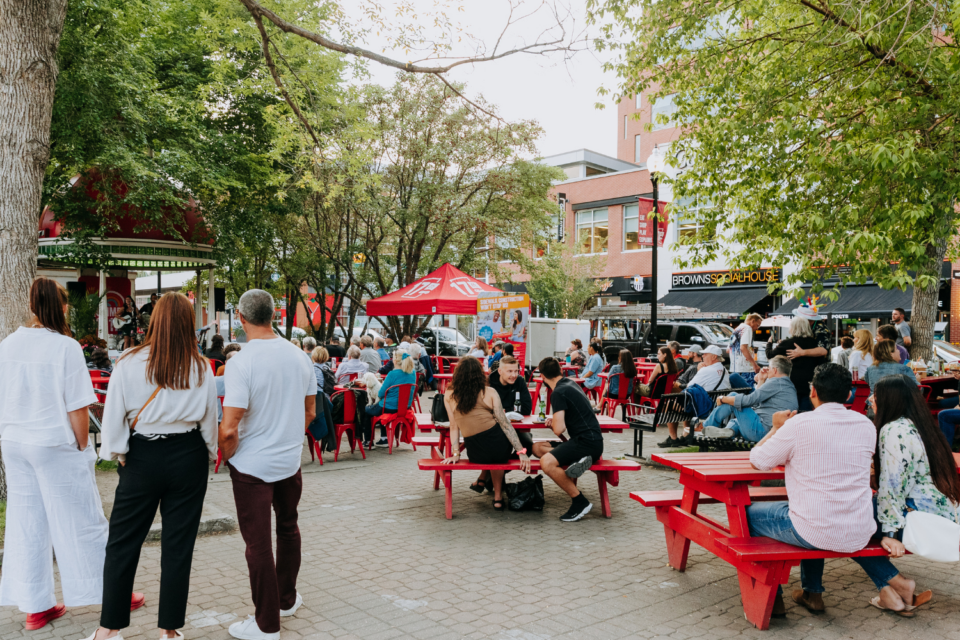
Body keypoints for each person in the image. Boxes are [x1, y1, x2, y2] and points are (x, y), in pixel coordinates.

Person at [0, 278, 133, 632]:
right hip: (54, 442)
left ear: (31, 306)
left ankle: (35, 606)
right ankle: (112, 594)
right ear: (61, 308)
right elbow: (78, 406)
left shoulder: (7, 345)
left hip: (14, 442)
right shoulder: (66, 347)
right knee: (83, 518)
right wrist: (83, 445)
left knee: (27, 521)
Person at [87, 293, 219, 640]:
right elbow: (209, 419)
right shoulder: (200, 366)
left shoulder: (129, 361)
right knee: (178, 546)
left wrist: (119, 453)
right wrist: (209, 453)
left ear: (154, 321)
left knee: (122, 542)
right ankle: (169, 631)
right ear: (189, 324)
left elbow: (114, 414)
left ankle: (109, 628)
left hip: (142, 454)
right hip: (188, 453)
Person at [220, 290, 317, 640]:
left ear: (241, 317)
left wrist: (227, 455)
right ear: (273, 315)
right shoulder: (300, 357)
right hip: (289, 460)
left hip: (252, 465)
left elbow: (229, 427)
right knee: (288, 528)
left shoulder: (240, 362)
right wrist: (287, 437)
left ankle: (266, 625)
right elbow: (310, 412)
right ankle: (286, 599)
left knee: (257, 543)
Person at [747, 363, 876, 617]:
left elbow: (759, 461)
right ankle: (812, 593)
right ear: (849, 394)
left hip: (814, 527)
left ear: (813, 391)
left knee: (746, 515)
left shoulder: (800, 424)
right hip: (858, 527)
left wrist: (775, 429)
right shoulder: (865, 424)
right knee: (811, 512)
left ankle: (773, 596)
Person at [851, 375, 956, 615]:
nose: (870, 399)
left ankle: (899, 584)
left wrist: (890, 533)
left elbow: (893, 484)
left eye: (875, 395)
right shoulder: (922, 426)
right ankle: (890, 594)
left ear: (890, 398)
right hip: (938, 513)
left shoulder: (893, 429)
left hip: (915, 517)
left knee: (842, 526)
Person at [441, 357, 534, 511]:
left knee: (492, 451)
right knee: (499, 451)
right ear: (480, 374)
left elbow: (453, 426)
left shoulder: (450, 394)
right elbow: (505, 424)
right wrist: (521, 452)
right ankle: (498, 497)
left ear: (457, 375)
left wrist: (456, 454)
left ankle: (484, 481)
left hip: (475, 453)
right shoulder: (489, 392)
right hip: (498, 447)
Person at [531, 358, 604, 522]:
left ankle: (580, 502)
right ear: (561, 371)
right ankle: (575, 460)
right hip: (592, 441)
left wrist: (555, 422)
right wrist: (556, 420)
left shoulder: (558, 392)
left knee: (546, 462)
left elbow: (559, 429)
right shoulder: (570, 384)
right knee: (537, 448)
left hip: (586, 443)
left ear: (542, 376)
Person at [702, 356, 798, 442]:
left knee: (734, 397)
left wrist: (723, 398)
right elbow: (756, 401)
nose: (768, 370)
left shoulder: (776, 382)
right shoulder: (787, 385)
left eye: (769, 368)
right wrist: (761, 379)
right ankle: (728, 431)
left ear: (775, 370)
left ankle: (705, 427)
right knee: (735, 421)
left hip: (763, 432)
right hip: (770, 432)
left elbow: (750, 400)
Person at [659, 345, 730, 447]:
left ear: (714, 357)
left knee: (668, 404)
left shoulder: (706, 370)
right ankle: (686, 435)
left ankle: (673, 438)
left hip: (704, 408)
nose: (702, 356)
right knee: (684, 401)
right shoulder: (724, 370)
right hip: (716, 406)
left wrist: (699, 370)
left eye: (705, 354)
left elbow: (689, 386)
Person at [765, 315, 827, 411]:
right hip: (809, 384)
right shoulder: (814, 344)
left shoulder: (787, 343)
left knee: (791, 413)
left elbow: (770, 355)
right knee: (805, 413)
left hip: (791, 384)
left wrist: (769, 343)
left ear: (793, 328)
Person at [367, 350, 417, 448]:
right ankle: (384, 438)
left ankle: (368, 441)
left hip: (389, 407)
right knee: (383, 405)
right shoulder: (413, 373)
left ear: (395, 361)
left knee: (366, 410)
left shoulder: (392, 374)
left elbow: (381, 394)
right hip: (404, 407)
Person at [730, 313, 762, 378]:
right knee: (749, 384)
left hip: (734, 368)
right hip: (745, 368)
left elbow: (728, 349)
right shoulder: (748, 328)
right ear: (753, 321)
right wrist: (754, 364)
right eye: (757, 325)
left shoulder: (736, 329)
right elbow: (743, 348)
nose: (757, 328)